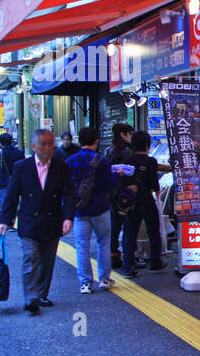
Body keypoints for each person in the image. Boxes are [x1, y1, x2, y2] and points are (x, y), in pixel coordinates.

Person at [0, 129, 75, 315]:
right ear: (34, 146)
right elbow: (12, 195)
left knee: (47, 261)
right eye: (43, 144)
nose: (47, 148)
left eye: (50, 144)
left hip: (52, 221)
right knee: (30, 258)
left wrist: (68, 217)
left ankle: (41, 294)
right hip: (29, 221)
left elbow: (69, 195)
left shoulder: (61, 167)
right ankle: (30, 297)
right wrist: (5, 220)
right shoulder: (21, 167)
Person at [67, 126, 116, 293]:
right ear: (96, 141)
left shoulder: (70, 161)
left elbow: (66, 188)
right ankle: (104, 279)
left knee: (82, 245)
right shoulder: (101, 160)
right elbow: (108, 185)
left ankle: (86, 283)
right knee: (103, 242)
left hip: (80, 210)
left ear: (79, 141)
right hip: (100, 208)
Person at [120, 130, 167, 277]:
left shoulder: (128, 161)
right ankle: (155, 262)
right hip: (146, 199)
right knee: (153, 230)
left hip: (132, 200)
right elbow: (154, 184)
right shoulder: (151, 161)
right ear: (147, 145)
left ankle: (128, 267)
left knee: (130, 234)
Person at [104, 123, 135, 269]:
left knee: (114, 227)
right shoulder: (127, 152)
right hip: (125, 194)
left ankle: (113, 256)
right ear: (123, 134)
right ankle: (129, 259)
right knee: (128, 227)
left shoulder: (108, 150)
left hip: (111, 193)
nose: (131, 137)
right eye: (129, 134)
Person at [0, 132, 24, 219]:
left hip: (4, 179)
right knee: (15, 199)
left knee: (5, 197)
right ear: (11, 141)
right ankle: (12, 217)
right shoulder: (19, 152)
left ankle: (6, 217)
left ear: (1, 142)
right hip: (17, 179)